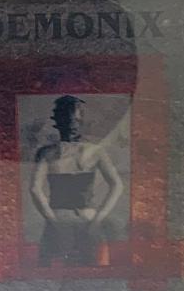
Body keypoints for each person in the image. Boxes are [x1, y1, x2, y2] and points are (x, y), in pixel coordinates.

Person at [30, 95, 124, 266]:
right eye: (70, 122)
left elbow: (35, 189)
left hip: (60, 219)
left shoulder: (46, 153)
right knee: (96, 273)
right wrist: (98, 219)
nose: (72, 126)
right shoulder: (95, 151)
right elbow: (117, 185)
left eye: (75, 121)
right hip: (87, 220)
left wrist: (52, 221)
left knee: (52, 273)